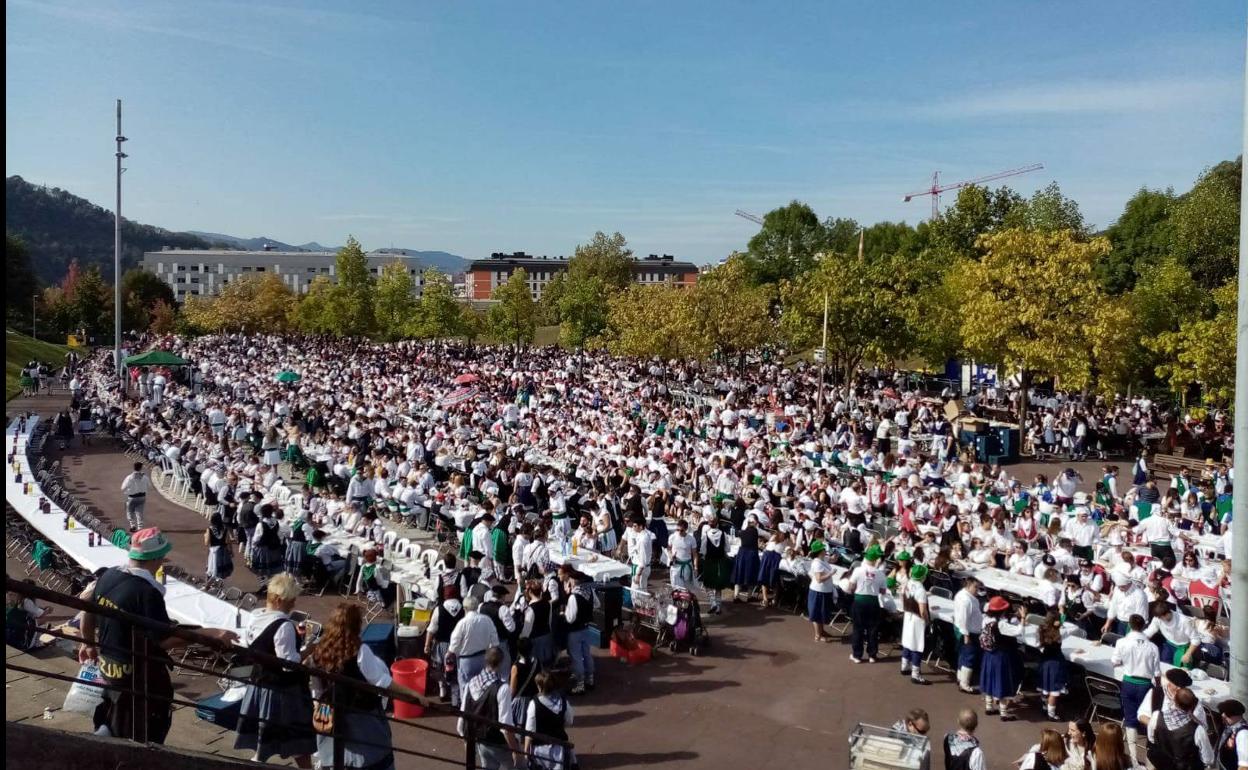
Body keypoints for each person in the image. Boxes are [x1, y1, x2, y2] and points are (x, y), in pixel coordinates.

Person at [78, 528, 238, 743]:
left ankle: (108, 736)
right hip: (139, 673)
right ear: (157, 558)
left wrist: (87, 641)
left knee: (113, 715)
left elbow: (86, 602)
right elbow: (163, 640)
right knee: (145, 727)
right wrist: (210, 633)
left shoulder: (109, 574)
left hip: (109, 665)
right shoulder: (146, 592)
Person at [306, 603, 422, 770]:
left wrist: (321, 711)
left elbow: (317, 690)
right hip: (361, 718)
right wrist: (414, 694)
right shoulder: (360, 650)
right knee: (370, 760)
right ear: (356, 625)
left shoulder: (318, 652)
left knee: (336, 759)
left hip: (329, 714)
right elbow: (381, 681)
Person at [233, 573, 316, 767]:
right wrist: (309, 650)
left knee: (263, 744)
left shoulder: (255, 617)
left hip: (259, 686)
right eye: (291, 600)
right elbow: (289, 664)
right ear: (279, 600)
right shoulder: (284, 626)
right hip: (281, 691)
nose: (294, 604)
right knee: (298, 743)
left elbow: (251, 645)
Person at [1110, 614, 1161, 765]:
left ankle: (1133, 759)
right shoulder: (1152, 647)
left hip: (1129, 683)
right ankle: (1148, 758)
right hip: (1145, 685)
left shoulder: (1122, 642)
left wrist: (1126, 664)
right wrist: (1158, 689)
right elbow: (1157, 673)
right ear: (1144, 626)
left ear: (1130, 625)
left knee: (1131, 719)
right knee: (1148, 719)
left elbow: (1114, 662)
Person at [459, 646, 517, 770]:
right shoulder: (502, 688)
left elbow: (463, 714)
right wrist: (516, 751)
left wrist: (466, 739)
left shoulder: (471, 683)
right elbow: (505, 727)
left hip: (480, 740)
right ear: (501, 662)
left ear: (485, 661)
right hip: (498, 742)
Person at [1145, 687, 1215, 770]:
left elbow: (1151, 738)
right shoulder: (1198, 729)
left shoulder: (1156, 716)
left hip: (1162, 763)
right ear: (1193, 706)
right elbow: (1208, 759)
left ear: (1175, 701)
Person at [449, 595, 501, 704]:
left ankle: (466, 710)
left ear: (465, 608)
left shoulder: (462, 623)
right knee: (482, 686)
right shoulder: (487, 620)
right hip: (483, 658)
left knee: (465, 688)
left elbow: (454, 643)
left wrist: (449, 653)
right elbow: (495, 641)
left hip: (466, 661)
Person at [979, 595, 1023, 721]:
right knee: (1002, 682)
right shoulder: (1002, 624)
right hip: (1001, 655)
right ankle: (1004, 713)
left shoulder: (986, 619)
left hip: (989, 654)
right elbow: (1018, 631)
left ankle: (989, 706)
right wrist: (1023, 618)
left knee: (990, 679)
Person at [524, 671, 575, 770]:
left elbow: (530, 731)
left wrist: (526, 751)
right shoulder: (563, 702)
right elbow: (569, 721)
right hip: (559, 747)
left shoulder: (534, 704)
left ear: (539, 686)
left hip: (540, 750)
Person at [846, 544, 887, 664]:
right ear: (875, 559)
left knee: (858, 629)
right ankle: (872, 655)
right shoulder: (880, 574)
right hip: (873, 603)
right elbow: (883, 591)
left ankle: (857, 655)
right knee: (873, 630)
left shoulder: (858, 570)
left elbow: (850, 587)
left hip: (859, 601)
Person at [424, 597, 465, 704]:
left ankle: (442, 690)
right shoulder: (463, 608)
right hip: (457, 646)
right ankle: (455, 699)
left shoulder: (439, 609)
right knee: (455, 671)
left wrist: (427, 645)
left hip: (441, 645)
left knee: (438, 668)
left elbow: (431, 629)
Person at [562, 567, 595, 694]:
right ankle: (590, 679)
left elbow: (570, 618)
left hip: (575, 630)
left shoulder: (573, 597)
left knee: (576, 657)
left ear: (574, 580)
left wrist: (563, 613)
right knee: (587, 654)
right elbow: (596, 604)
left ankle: (580, 684)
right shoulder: (589, 590)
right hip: (587, 628)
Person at [899, 563, 930, 685]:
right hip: (917, 619)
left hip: (908, 615)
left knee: (907, 642)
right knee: (917, 645)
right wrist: (927, 620)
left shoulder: (907, 583)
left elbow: (902, 596)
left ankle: (904, 666)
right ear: (923, 577)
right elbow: (923, 610)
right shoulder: (921, 590)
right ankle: (915, 674)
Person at [697, 512, 732, 615]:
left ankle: (713, 603)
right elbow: (728, 549)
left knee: (708, 584)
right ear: (717, 524)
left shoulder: (706, 535)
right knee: (718, 585)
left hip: (709, 562)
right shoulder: (723, 534)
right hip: (720, 562)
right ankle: (718, 606)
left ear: (709, 524)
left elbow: (703, 551)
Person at [1036, 611, 1069, 722]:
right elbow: (1072, 629)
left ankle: (1044, 707)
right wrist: (1060, 625)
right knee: (1054, 690)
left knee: (1045, 685)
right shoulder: (1060, 632)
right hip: (1056, 663)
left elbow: (1038, 645)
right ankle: (1051, 714)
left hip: (1044, 662)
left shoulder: (1040, 630)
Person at [953, 576, 984, 694]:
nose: (977, 590)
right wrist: (966, 636)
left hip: (967, 630)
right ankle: (964, 684)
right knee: (968, 657)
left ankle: (960, 678)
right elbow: (963, 619)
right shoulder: (965, 600)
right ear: (968, 585)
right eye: (975, 587)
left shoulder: (966, 596)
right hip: (969, 632)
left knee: (963, 655)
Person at [806, 546, 838, 643]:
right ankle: (818, 635)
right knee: (817, 613)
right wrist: (831, 574)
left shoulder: (823, 559)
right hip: (818, 591)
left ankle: (821, 631)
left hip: (825, 591)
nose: (825, 550)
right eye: (824, 549)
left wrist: (835, 555)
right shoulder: (817, 564)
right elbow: (819, 579)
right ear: (820, 552)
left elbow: (832, 559)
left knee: (822, 613)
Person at [731, 514, 762, 602]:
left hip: (742, 553)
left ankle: (736, 596)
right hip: (751, 554)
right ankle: (749, 596)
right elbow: (765, 534)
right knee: (752, 574)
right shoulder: (755, 531)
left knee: (739, 574)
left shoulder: (742, 532)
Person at [621, 515, 655, 593]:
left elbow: (643, 560)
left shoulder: (643, 540)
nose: (633, 528)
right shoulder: (642, 535)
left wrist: (638, 575)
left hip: (640, 569)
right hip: (639, 567)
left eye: (635, 526)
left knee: (638, 594)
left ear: (641, 526)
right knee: (636, 592)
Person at [1214, 698, 1248, 770]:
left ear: (1233, 715)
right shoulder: (1229, 726)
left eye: (1225, 716)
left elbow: (1244, 765)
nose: (1223, 718)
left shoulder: (1243, 734)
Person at [667, 519, 698, 592]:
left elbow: (695, 554)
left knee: (686, 588)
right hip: (675, 566)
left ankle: (686, 602)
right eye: (677, 530)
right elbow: (668, 549)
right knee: (676, 587)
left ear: (686, 529)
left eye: (681, 530)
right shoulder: (672, 537)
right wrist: (671, 556)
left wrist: (696, 567)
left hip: (687, 566)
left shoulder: (691, 539)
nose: (679, 532)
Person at [120, 462, 149, 533]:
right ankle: (140, 527)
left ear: (134, 467)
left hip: (132, 497)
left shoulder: (129, 477)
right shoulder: (145, 477)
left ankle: (132, 525)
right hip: (142, 496)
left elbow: (122, 488)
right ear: (141, 468)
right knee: (139, 512)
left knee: (129, 511)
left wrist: (129, 489)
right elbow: (149, 486)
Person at [204, 512, 234, 579]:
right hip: (223, 551)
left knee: (211, 567)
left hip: (214, 552)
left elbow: (206, 543)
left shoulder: (209, 529)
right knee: (222, 569)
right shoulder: (225, 528)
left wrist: (205, 536)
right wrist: (231, 551)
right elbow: (228, 541)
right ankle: (219, 583)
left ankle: (208, 585)